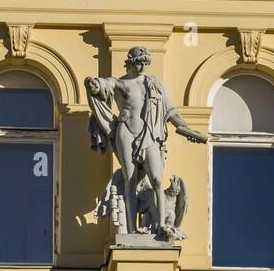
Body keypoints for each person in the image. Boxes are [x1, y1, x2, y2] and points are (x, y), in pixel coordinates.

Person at [86, 45, 205, 239]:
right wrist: (95, 84)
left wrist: (184, 128)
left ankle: (159, 227)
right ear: (130, 62)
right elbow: (106, 85)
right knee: (130, 181)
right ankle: (132, 231)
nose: (142, 66)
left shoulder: (156, 84)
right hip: (126, 131)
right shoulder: (122, 83)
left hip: (149, 133)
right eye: (139, 62)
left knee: (157, 179)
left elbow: (171, 111)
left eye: (145, 63)